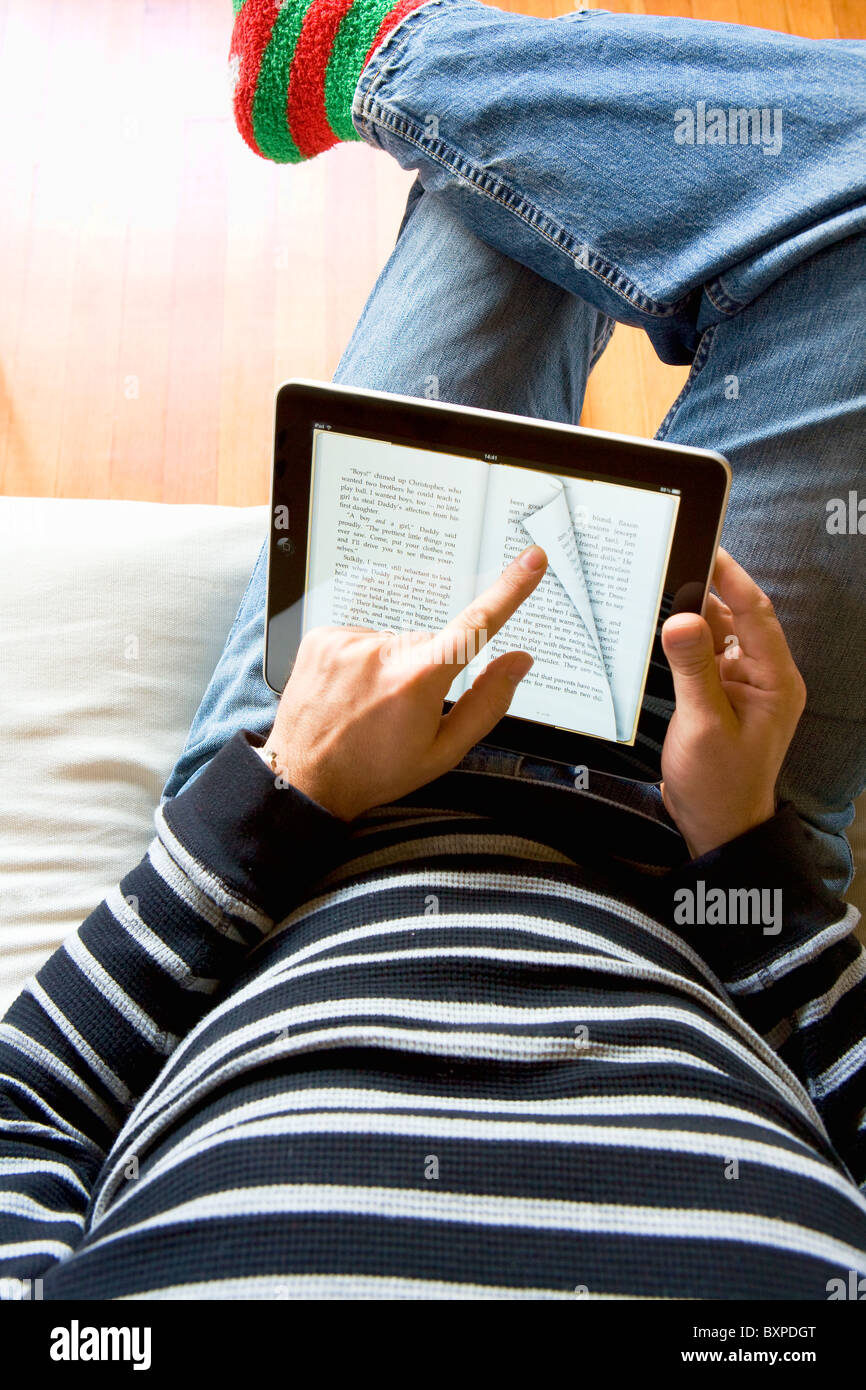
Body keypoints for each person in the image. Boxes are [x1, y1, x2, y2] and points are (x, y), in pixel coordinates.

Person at [1, 0, 864, 1300]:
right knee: (638, 180)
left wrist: (288, 786)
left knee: (499, 210)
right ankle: (389, 55)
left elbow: (28, 1111)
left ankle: (372, 55)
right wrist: (746, 846)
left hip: (318, 809)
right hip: (703, 832)